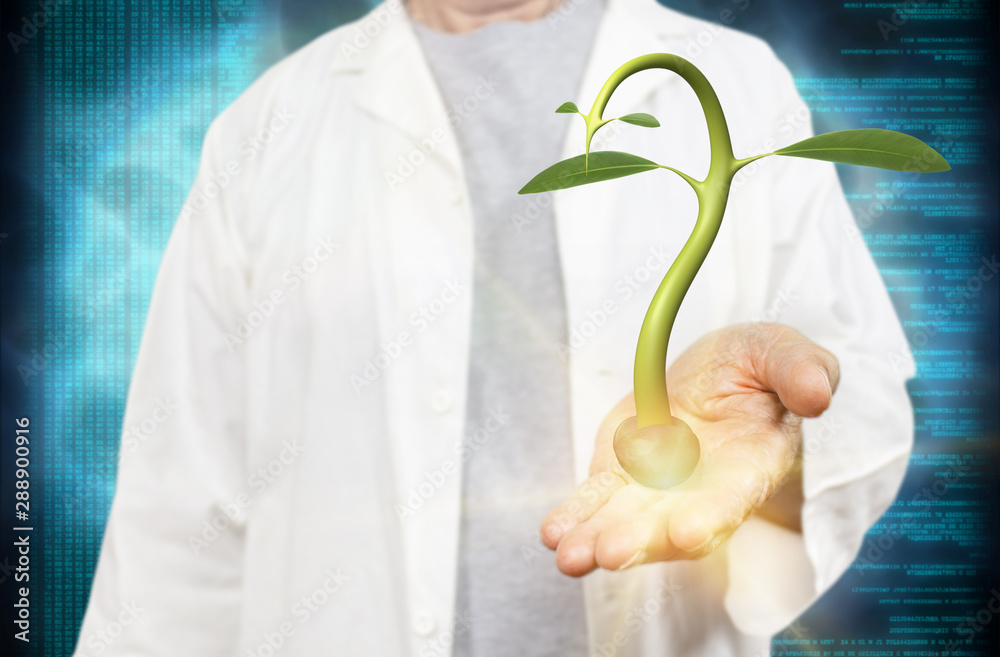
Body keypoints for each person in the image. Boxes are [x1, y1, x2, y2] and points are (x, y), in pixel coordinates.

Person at [73, 0, 915, 655]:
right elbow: (177, 518)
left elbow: (859, 387)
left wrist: (786, 439)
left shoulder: (736, 82)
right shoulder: (265, 130)